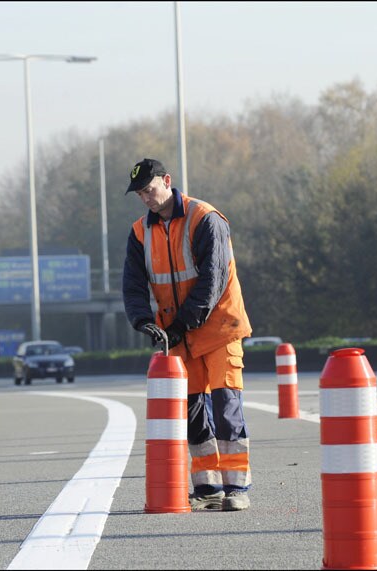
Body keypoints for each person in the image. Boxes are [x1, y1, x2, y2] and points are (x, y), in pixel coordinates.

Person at [122, 158, 254, 511]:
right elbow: (133, 285)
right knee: (193, 410)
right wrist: (141, 320)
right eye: (140, 194)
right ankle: (208, 489)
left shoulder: (205, 218)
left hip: (219, 327)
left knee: (226, 405)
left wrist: (182, 322)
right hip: (177, 334)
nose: (146, 198)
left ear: (167, 181)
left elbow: (213, 280)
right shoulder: (139, 233)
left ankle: (237, 488)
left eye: (150, 190)